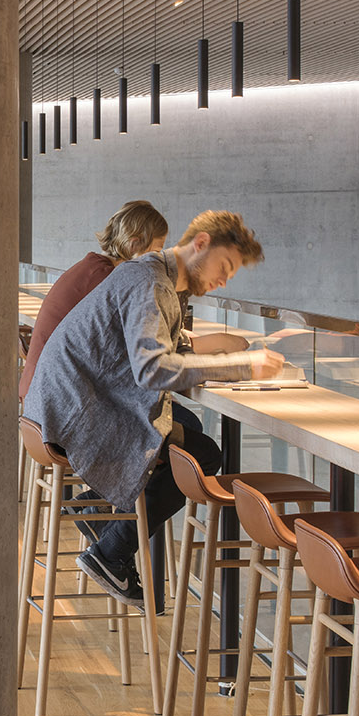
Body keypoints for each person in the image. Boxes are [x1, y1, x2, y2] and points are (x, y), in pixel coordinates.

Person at [22, 210, 285, 606]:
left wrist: (225, 361)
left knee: (185, 430)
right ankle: (110, 553)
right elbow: (152, 369)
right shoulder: (151, 281)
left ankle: (99, 510)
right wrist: (242, 366)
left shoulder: (155, 276)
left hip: (65, 405)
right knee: (201, 453)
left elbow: (166, 350)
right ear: (201, 244)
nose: (223, 281)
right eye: (224, 267)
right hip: (76, 415)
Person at [19, 200, 169, 399]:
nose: (156, 261)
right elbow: (133, 345)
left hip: (45, 388)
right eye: (156, 252)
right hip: (53, 396)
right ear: (133, 244)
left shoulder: (93, 267)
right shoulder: (104, 278)